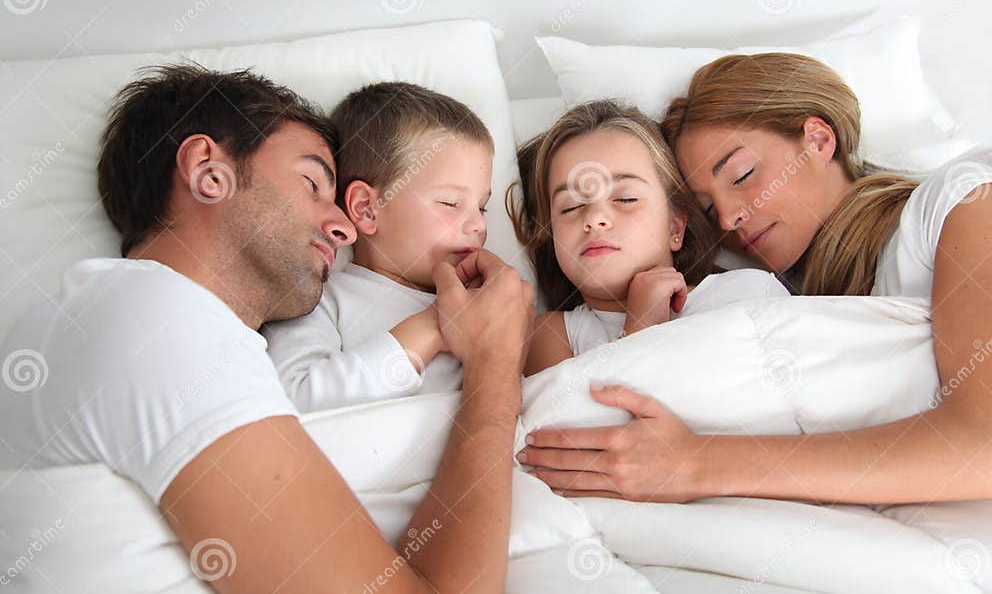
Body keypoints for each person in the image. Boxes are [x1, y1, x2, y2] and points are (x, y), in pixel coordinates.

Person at [0, 64, 533, 593]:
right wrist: (492, 366)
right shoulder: (153, 317)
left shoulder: (167, 332)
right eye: (312, 184)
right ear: (210, 173)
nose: (343, 226)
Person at [515, 53, 992, 505]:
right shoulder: (802, 300)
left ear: (819, 140)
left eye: (741, 174)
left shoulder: (962, 206)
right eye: (706, 208)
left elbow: (984, 445)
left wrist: (697, 464)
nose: (727, 218)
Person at [506, 100, 788, 377]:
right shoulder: (553, 338)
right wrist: (641, 326)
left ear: (675, 227)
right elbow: (590, 420)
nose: (593, 218)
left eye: (625, 198)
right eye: (571, 206)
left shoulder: (749, 292)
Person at [264, 82, 494, 409]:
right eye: (451, 203)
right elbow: (296, 397)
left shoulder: (484, 297)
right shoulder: (320, 300)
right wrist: (435, 325)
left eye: (482, 207)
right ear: (366, 209)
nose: (479, 225)